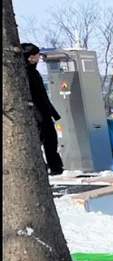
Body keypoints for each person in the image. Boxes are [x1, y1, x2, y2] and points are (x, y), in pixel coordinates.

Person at [21, 43, 64, 176]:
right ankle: (50, 166)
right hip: (38, 114)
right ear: (30, 57)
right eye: (37, 55)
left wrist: (53, 114)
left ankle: (55, 166)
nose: (39, 57)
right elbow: (36, 97)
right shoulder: (27, 73)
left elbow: (43, 96)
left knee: (51, 140)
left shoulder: (34, 72)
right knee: (43, 141)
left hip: (44, 112)